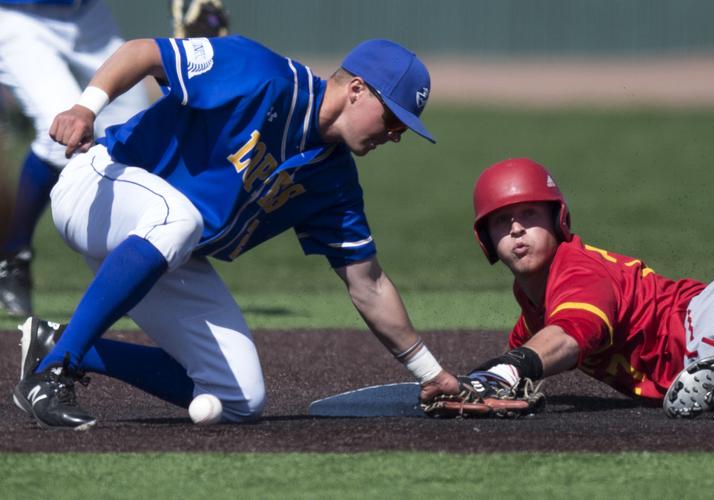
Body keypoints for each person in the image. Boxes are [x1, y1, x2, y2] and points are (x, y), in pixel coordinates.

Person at [13, 35, 458, 430]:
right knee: (180, 218)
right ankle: (53, 374)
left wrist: (431, 374)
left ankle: (60, 343)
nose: (396, 135)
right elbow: (143, 53)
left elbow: (369, 284)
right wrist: (85, 107)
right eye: (394, 119)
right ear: (357, 90)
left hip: (165, 251)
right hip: (100, 185)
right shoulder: (262, 74)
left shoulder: (334, 182)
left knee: (240, 398)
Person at [424, 158, 714, 418]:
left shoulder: (579, 270)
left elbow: (570, 335)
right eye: (501, 221)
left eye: (529, 214)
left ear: (559, 220)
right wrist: (479, 384)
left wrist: (505, 370)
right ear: (486, 240)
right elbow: (526, 356)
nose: (516, 229)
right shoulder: (533, 304)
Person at [0, 0, 151, 316]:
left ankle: (143, 263)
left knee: (140, 130)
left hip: (88, 16)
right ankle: (11, 255)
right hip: (17, 15)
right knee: (60, 133)